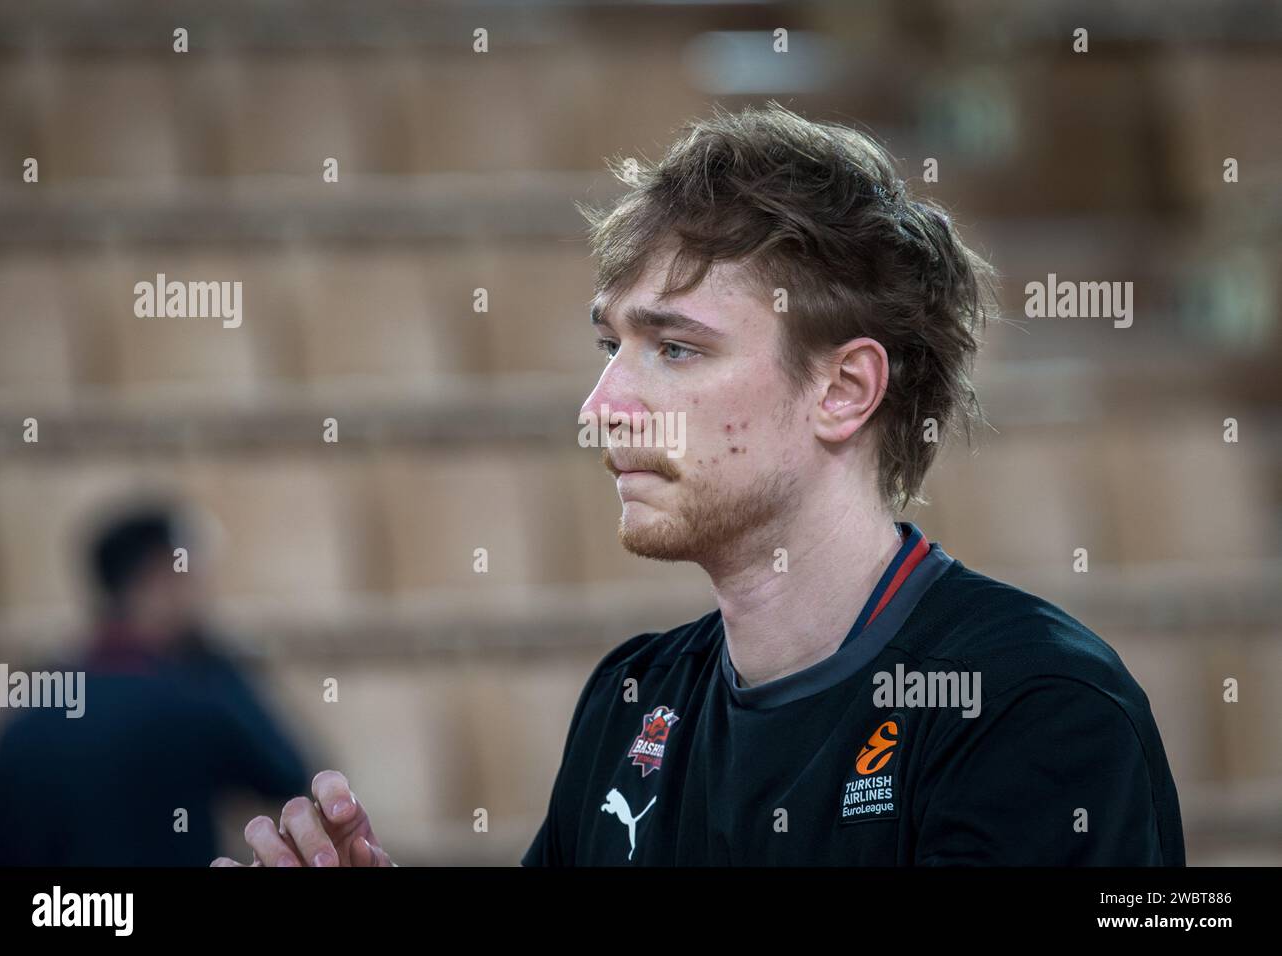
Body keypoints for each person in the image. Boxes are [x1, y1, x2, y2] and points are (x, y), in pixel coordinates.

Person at [213, 102, 1184, 867]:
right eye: (611, 344)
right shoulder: (630, 699)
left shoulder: (1034, 706)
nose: (602, 406)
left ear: (843, 388)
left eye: (675, 348)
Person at [0, 503, 311, 865]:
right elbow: (286, 774)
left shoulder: (30, 716)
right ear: (161, 580)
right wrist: (213, 657)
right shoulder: (192, 703)